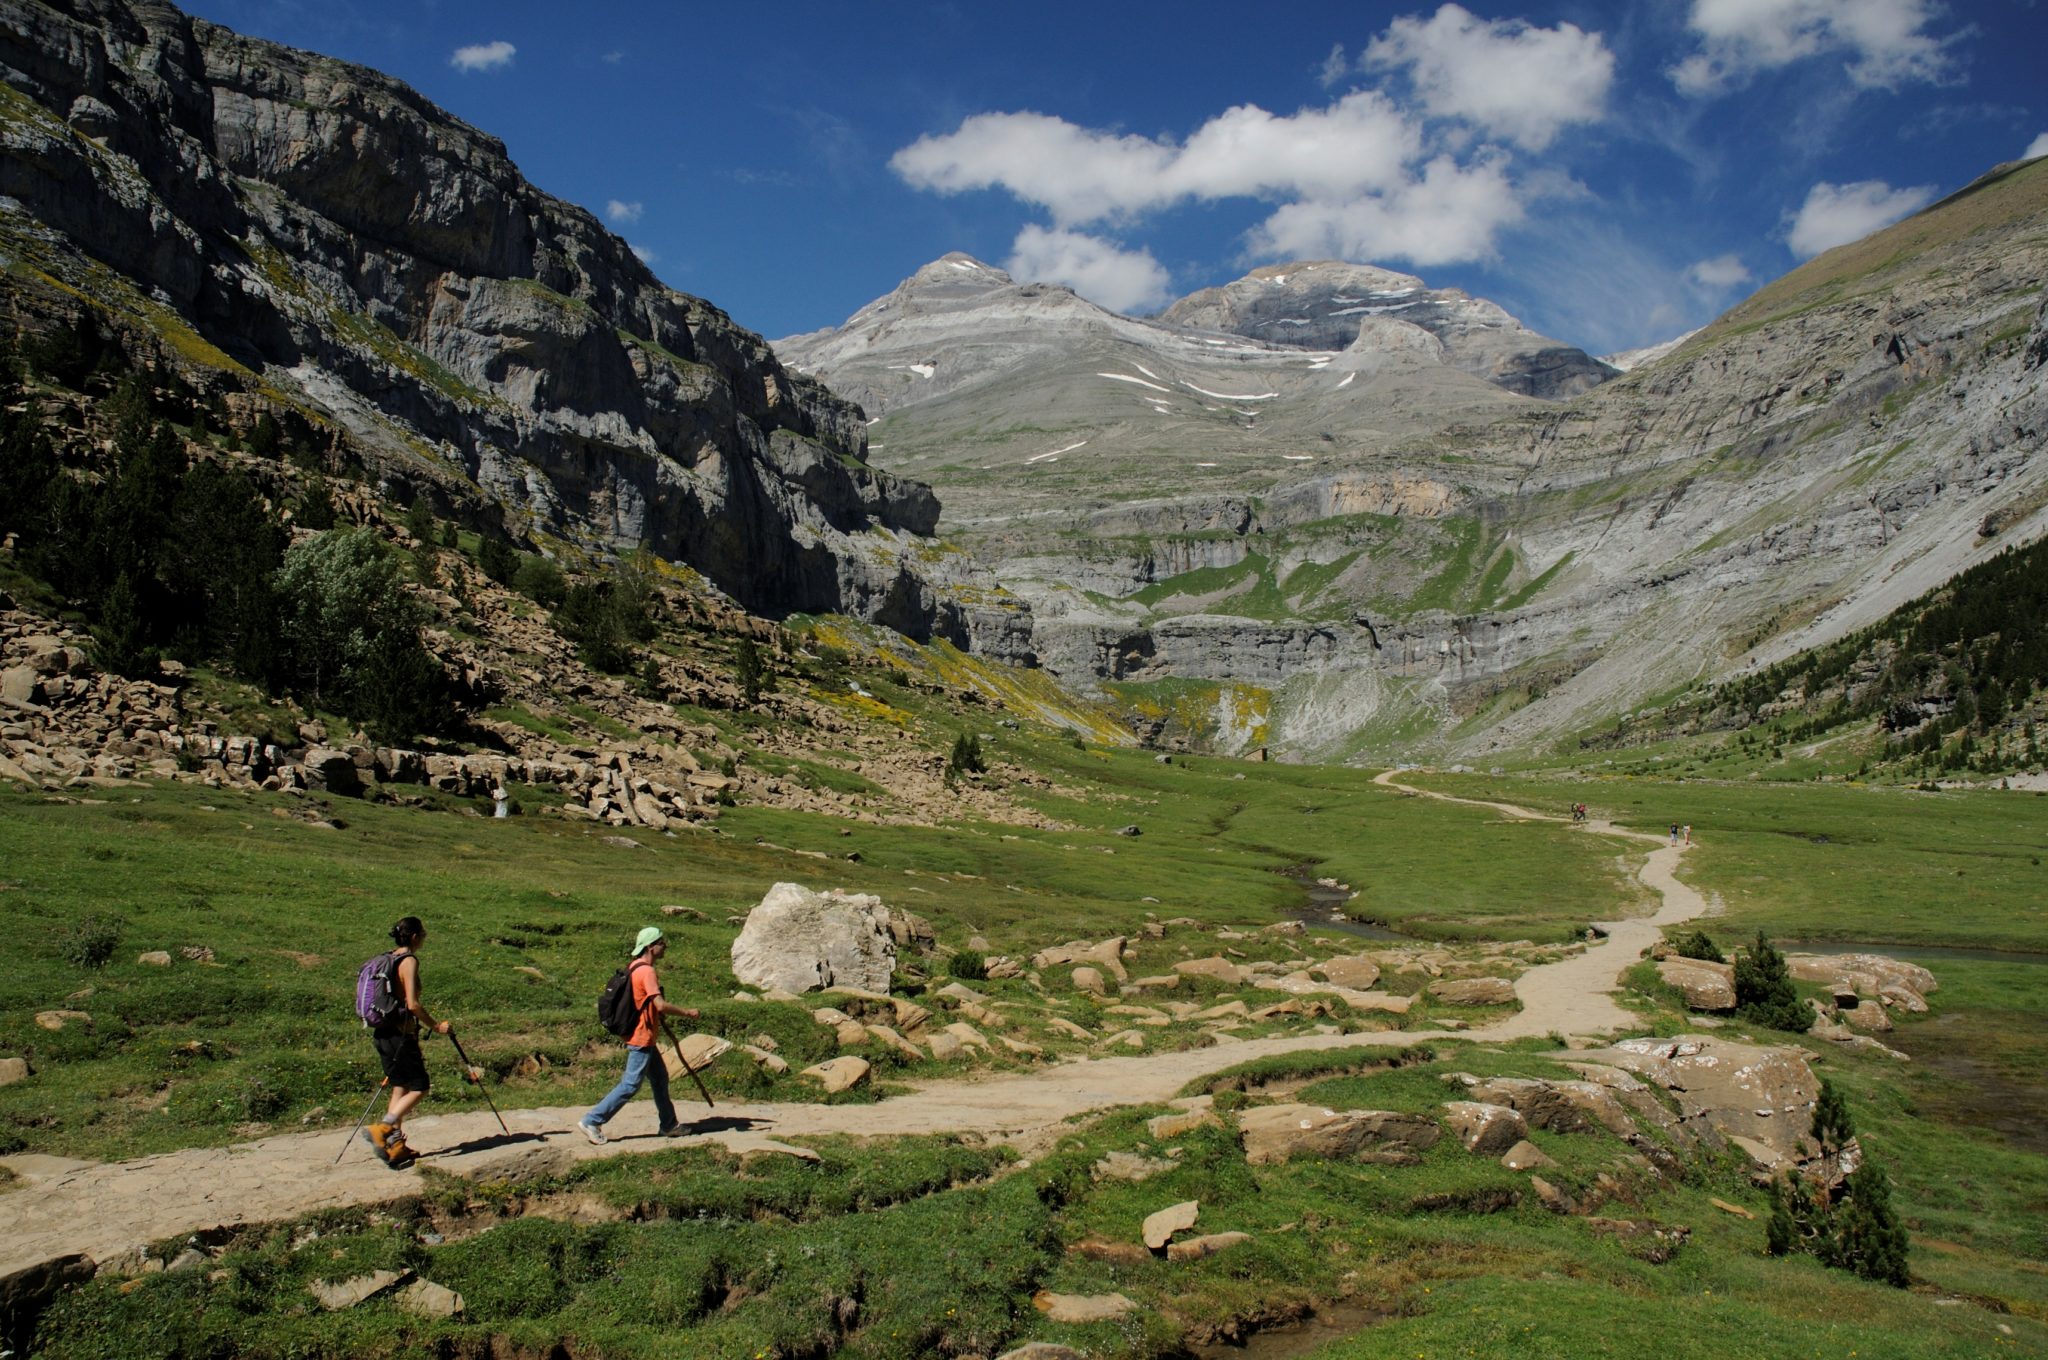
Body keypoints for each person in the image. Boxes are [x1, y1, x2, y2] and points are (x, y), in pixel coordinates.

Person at [580, 926, 699, 1144]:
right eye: (661, 943)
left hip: (645, 1035)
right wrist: (687, 1013)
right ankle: (592, 1120)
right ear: (651, 947)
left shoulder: (634, 967)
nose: (665, 946)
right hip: (641, 1036)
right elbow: (660, 1005)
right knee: (631, 1084)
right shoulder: (647, 971)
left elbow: (644, 1002)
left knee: (660, 1079)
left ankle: (669, 1124)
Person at [365, 916, 452, 1169]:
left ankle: (396, 1148)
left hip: (382, 1034)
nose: (424, 938)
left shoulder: (386, 958)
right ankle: (384, 1127)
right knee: (420, 1086)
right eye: (423, 934)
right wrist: (436, 1026)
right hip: (401, 1035)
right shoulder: (408, 961)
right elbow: (412, 1003)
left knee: (400, 1087)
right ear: (414, 937)